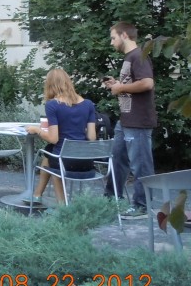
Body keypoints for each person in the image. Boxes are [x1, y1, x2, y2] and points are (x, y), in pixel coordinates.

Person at [103, 21, 157, 220]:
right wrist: (116, 85)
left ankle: (142, 206)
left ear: (124, 35)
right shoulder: (129, 58)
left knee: (140, 165)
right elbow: (132, 85)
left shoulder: (138, 56)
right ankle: (110, 200)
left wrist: (121, 88)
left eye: (113, 37)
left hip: (138, 122)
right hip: (125, 121)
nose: (111, 42)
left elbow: (147, 83)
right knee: (117, 160)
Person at [25, 68, 97, 205]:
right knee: (49, 153)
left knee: (53, 156)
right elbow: (92, 137)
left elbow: (54, 138)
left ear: (50, 85)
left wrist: (37, 130)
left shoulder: (53, 105)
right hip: (86, 162)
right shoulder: (88, 104)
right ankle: (37, 195)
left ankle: (61, 204)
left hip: (64, 162)